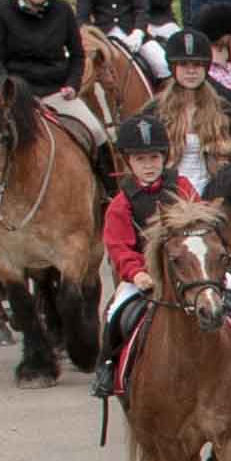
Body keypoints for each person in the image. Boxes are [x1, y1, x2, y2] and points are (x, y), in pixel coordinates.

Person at [93, 112, 181, 364]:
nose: (149, 165)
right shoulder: (121, 205)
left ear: (164, 157)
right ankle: (107, 370)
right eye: (140, 159)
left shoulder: (183, 188)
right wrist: (136, 273)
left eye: (154, 157)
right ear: (128, 162)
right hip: (146, 277)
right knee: (115, 313)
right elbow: (119, 248)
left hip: (188, 271)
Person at [0, 0, 88, 110]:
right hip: (18, 95)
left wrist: (72, 85)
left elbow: (78, 55)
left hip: (57, 93)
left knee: (96, 131)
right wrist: (8, 88)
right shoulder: (4, 10)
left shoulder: (63, 10)